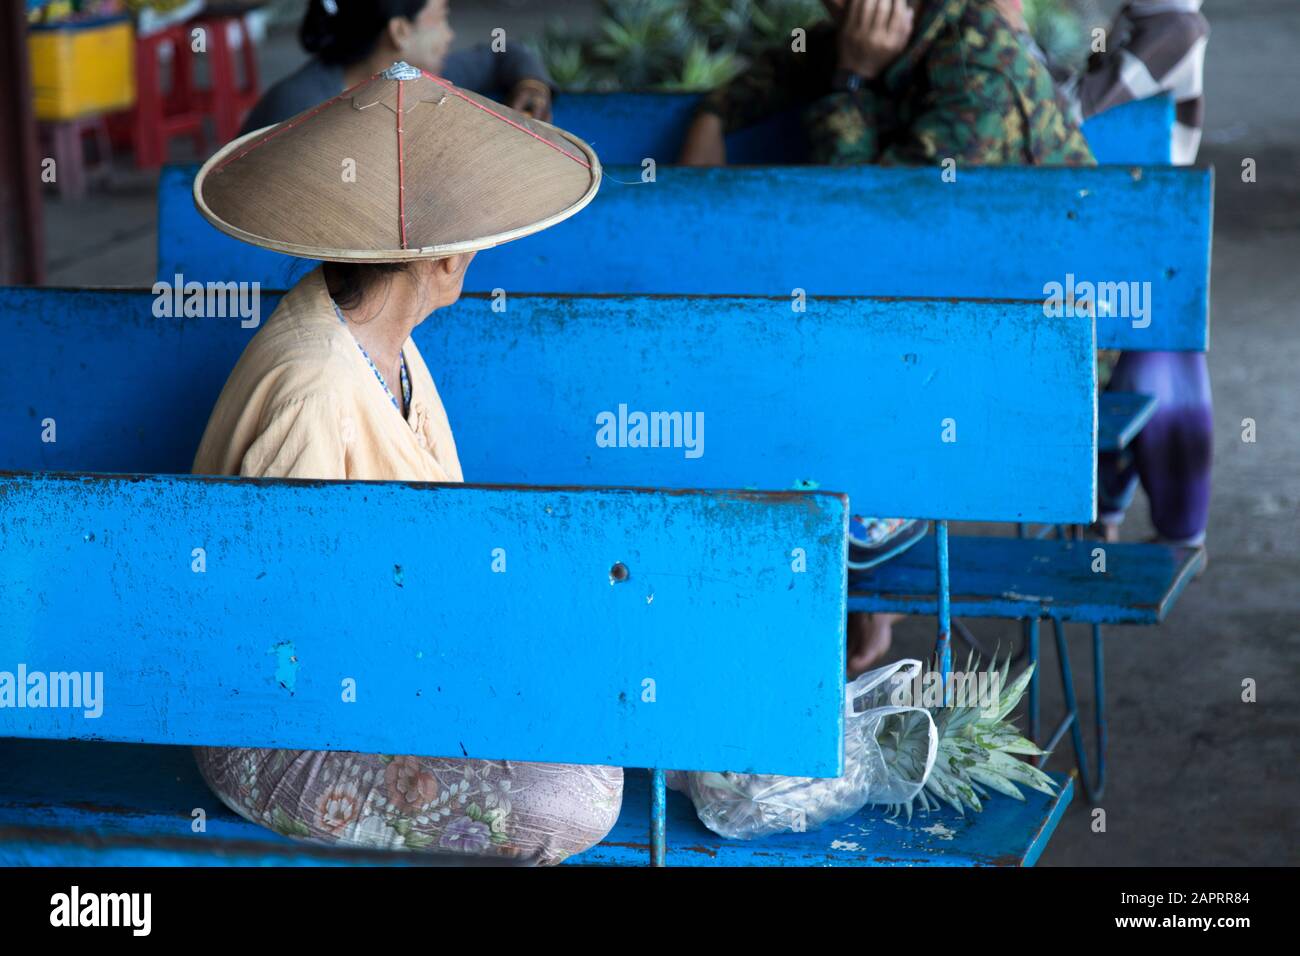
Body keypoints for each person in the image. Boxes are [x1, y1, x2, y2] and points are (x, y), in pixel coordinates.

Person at [190, 62, 616, 864]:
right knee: (573, 795)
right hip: (280, 735)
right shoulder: (313, 384)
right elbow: (284, 638)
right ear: (444, 260)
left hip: (389, 679)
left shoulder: (390, 344)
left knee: (611, 711)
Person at [680, 0, 1095, 673]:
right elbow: (775, 75)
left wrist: (851, 82)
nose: (836, 7)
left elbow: (868, 234)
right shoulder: (884, 26)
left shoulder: (979, 63)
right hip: (929, 324)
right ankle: (804, 635)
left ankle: (859, 602)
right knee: (750, 372)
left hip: (1036, 351)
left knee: (811, 378)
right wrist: (712, 117)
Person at [1057, 1, 1213, 551]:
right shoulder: (1138, 24)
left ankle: (1177, 532)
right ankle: (1109, 515)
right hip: (1126, 222)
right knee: (1137, 372)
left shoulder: (1176, 29)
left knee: (1157, 374)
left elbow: (1075, 107)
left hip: (1146, 230)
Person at [240, 0, 554, 136]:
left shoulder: (416, 75)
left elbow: (506, 55)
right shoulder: (299, 106)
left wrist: (530, 87)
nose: (449, 34)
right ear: (400, 31)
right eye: (441, 17)